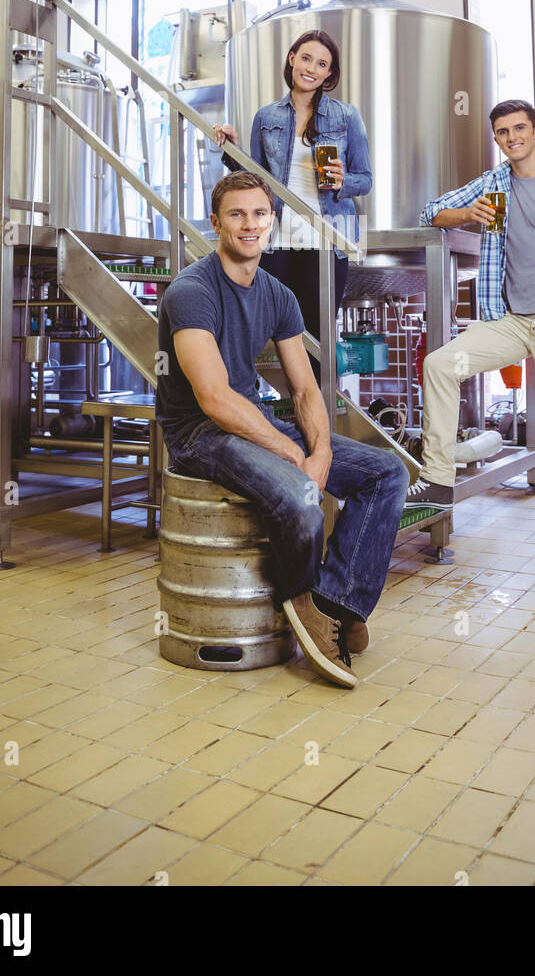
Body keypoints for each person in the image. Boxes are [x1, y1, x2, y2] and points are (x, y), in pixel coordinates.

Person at [155, 169, 409, 688]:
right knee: (297, 493)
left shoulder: (277, 294)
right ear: (216, 222)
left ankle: (338, 603)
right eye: (236, 214)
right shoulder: (191, 291)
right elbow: (214, 398)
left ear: (273, 221)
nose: (249, 225)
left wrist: (319, 454)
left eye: (259, 214)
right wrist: (296, 460)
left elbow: (307, 390)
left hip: (252, 420)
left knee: (385, 471)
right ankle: (302, 600)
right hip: (199, 434)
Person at [405, 99, 535, 570]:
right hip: (511, 320)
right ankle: (438, 481)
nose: (511, 138)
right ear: (496, 139)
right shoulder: (495, 183)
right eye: (502, 132)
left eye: (519, 128)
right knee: (441, 365)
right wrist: (466, 215)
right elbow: (431, 212)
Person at [215, 30, 371, 373]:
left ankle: (313, 420)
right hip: (279, 238)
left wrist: (344, 180)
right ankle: (272, 418)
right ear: (292, 59)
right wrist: (231, 148)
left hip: (329, 237)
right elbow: (253, 180)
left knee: (315, 337)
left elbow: (366, 179)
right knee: (275, 328)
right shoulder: (266, 117)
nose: (311, 68)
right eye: (306, 58)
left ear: (329, 73)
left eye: (322, 64)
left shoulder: (346, 117)